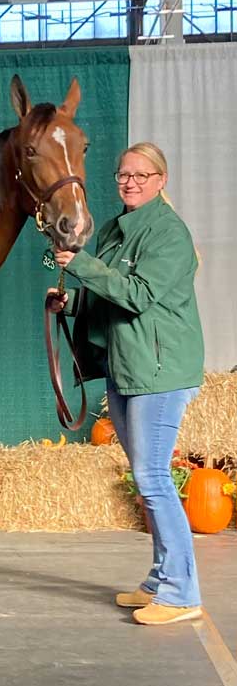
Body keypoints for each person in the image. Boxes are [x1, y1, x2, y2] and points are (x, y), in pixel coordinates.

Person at [48, 142, 205, 626]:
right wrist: (72, 302)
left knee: (154, 478)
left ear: (161, 181)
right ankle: (160, 580)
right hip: (125, 366)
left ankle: (181, 594)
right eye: (123, 175)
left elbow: (137, 295)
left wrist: (79, 263)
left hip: (159, 371)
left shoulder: (169, 234)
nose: (130, 182)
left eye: (141, 175)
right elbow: (109, 295)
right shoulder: (116, 229)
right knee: (146, 479)